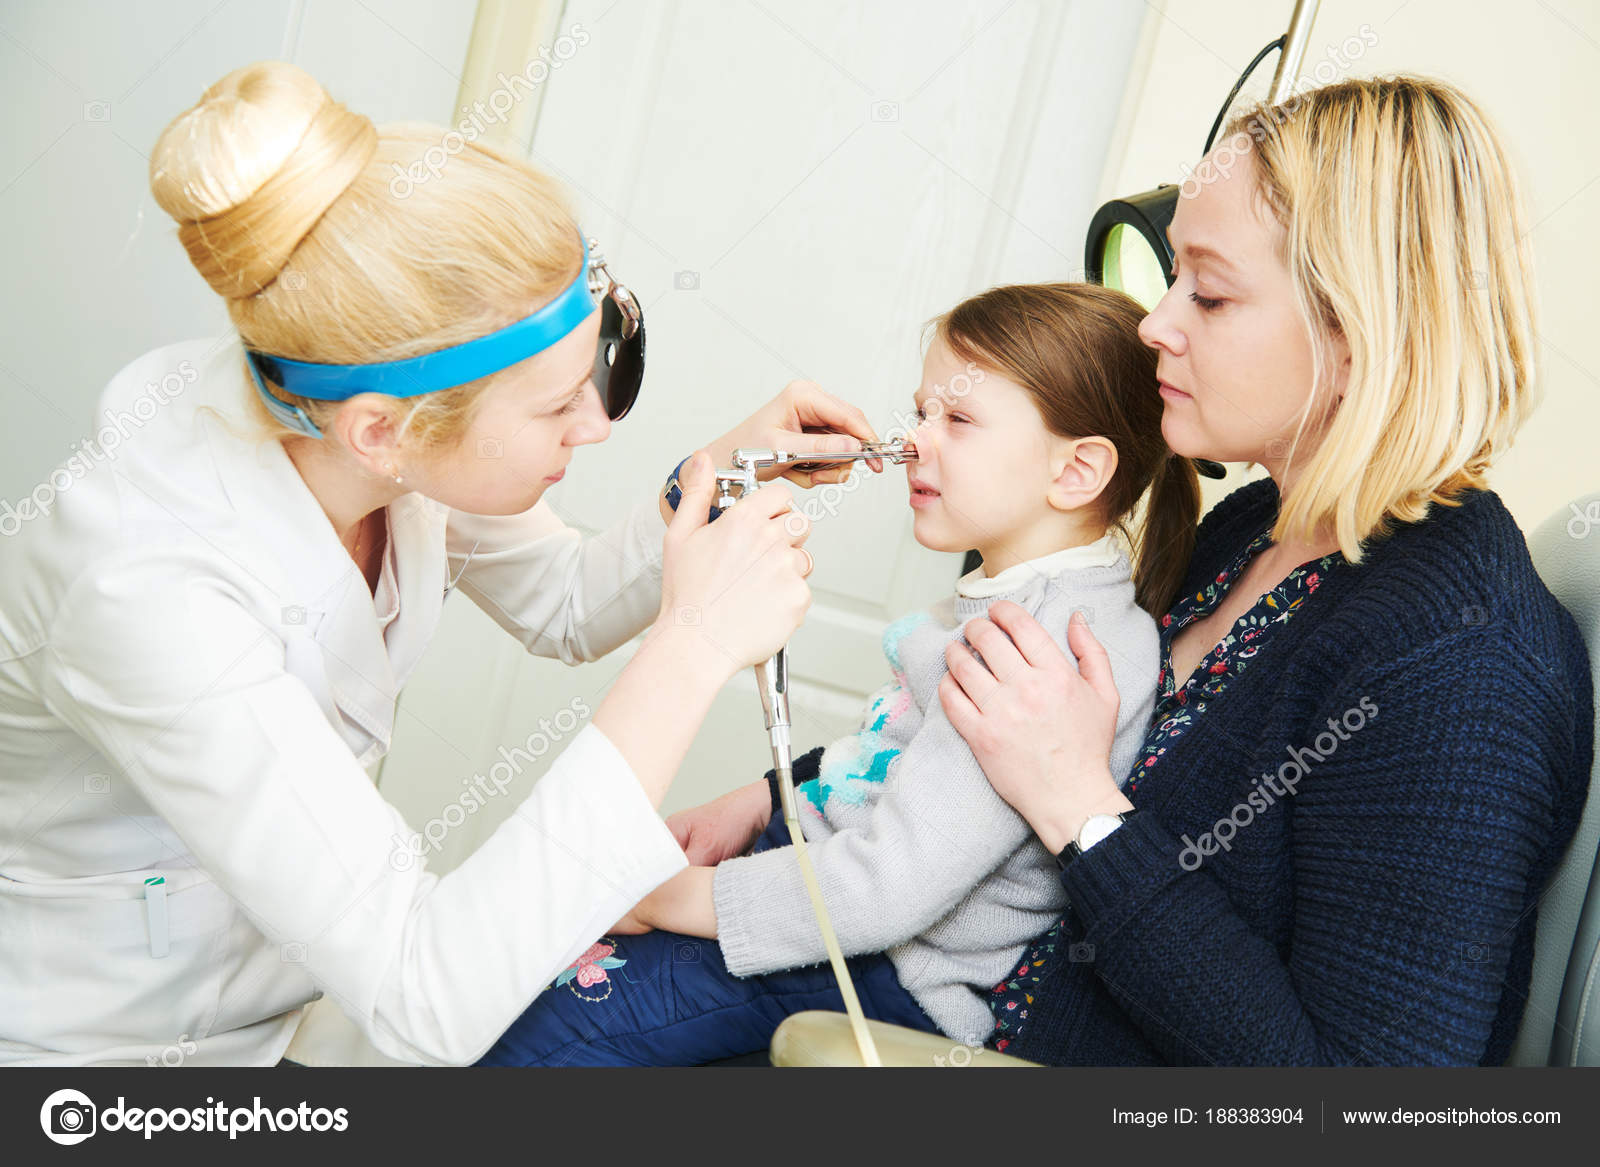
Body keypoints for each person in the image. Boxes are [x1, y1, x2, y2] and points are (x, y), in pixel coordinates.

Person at [0, 60, 886, 1067]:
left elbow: (568, 603)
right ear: (383, 431)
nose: (595, 425)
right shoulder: (143, 589)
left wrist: (720, 473)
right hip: (103, 1057)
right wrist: (693, 649)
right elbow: (428, 1000)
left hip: (294, 1005)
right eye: (557, 407)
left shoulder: (356, 434)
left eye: (601, 370)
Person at [939, 77, 1595, 1064]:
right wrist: (794, 798)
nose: (1155, 324)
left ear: (1358, 331)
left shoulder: (1460, 674)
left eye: (1206, 291)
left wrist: (1081, 812)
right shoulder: (1258, 522)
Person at [474, 281, 1200, 1066]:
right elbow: (899, 768)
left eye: (958, 419)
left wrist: (662, 894)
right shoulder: (1023, 592)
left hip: (874, 966)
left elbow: (888, 885)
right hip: (819, 906)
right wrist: (758, 804)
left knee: (545, 1041)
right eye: (923, 411)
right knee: (529, 984)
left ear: (1076, 471)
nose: (916, 440)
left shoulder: (1040, 647)